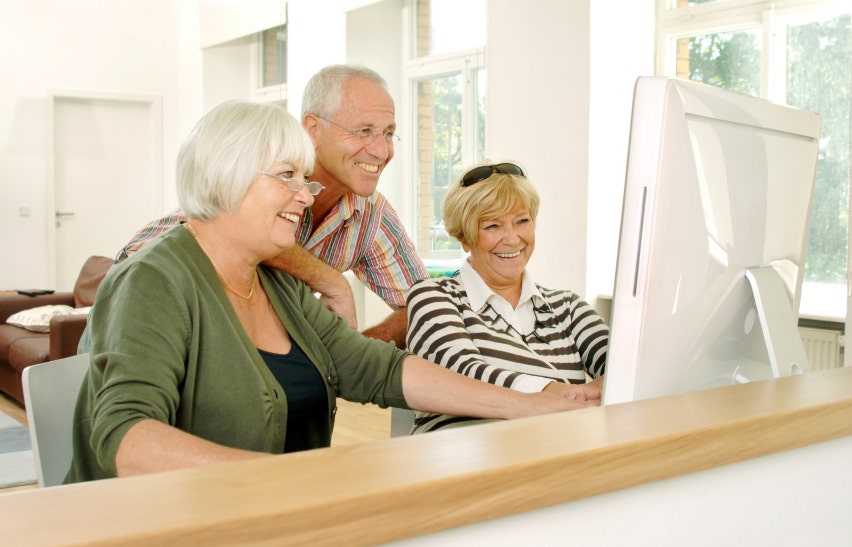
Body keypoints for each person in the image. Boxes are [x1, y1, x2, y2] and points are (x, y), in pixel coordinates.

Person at [65, 102, 589, 483]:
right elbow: (128, 441)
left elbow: (378, 370)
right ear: (224, 177)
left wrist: (529, 406)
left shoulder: (275, 285)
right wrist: (299, 484)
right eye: (287, 177)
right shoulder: (155, 279)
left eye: (306, 178)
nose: (304, 195)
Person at [83, 64, 427, 349]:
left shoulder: (369, 214)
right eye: (364, 131)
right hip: (137, 315)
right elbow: (228, 235)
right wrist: (329, 279)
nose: (382, 151)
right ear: (312, 128)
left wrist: (352, 354)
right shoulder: (256, 184)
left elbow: (423, 304)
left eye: (388, 133)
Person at [405, 162, 609, 433]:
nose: (512, 239)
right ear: (465, 238)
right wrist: (566, 394)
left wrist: (612, 381)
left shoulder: (567, 307)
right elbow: (460, 375)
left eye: (522, 221)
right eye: (492, 226)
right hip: (464, 462)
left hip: (559, 455)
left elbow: (622, 363)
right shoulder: (433, 296)